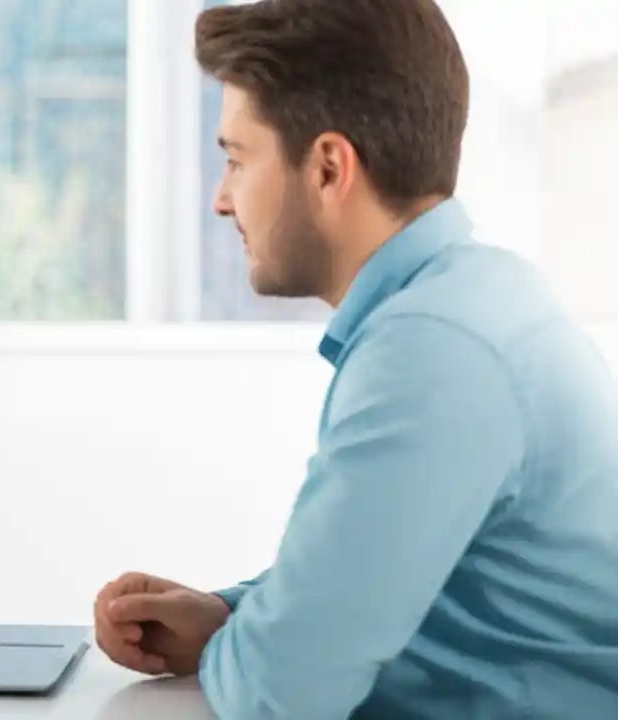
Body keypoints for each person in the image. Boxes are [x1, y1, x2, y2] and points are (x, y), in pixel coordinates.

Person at [93, 0, 618, 717]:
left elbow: (282, 692)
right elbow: (403, 587)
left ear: (329, 168)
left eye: (238, 159)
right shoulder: (480, 296)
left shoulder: (434, 349)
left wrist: (250, 643)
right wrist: (231, 615)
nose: (221, 200)